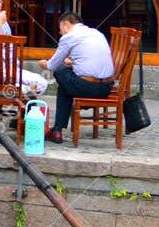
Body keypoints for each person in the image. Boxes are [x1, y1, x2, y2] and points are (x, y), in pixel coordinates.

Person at [43, 13, 116, 144]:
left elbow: (52, 65)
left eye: (60, 30)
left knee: (60, 72)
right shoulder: (97, 33)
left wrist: (43, 63)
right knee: (65, 86)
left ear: (66, 24)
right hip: (106, 88)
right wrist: (73, 63)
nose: (61, 33)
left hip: (88, 88)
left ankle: (58, 130)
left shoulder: (69, 36)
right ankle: (57, 130)